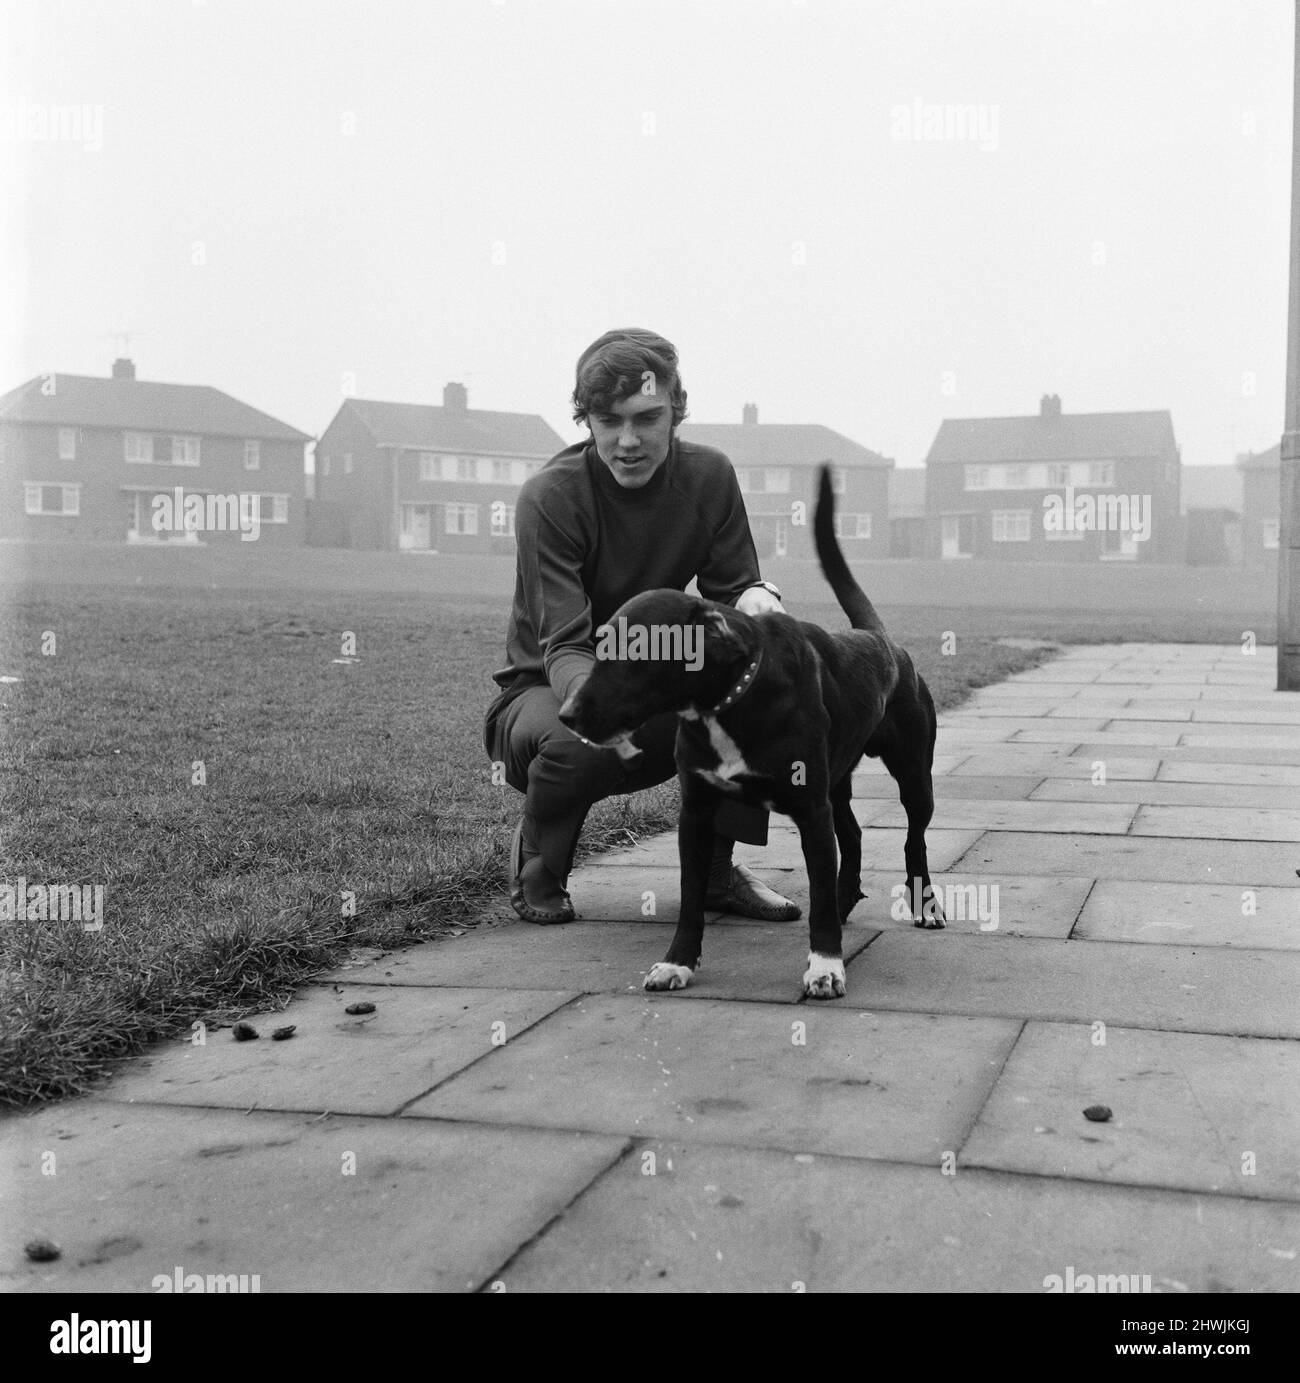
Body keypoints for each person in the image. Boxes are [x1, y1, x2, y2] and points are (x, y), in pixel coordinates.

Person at [483, 327, 799, 925]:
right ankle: (540, 869)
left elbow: (733, 597)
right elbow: (567, 644)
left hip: (653, 672)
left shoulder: (710, 476)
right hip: (545, 691)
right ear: (587, 421)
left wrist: (760, 602)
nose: (628, 441)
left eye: (647, 419)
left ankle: (712, 874)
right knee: (574, 742)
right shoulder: (549, 497)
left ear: (676, 411)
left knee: (752, 697)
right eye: (608, 421)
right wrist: (610, 705)